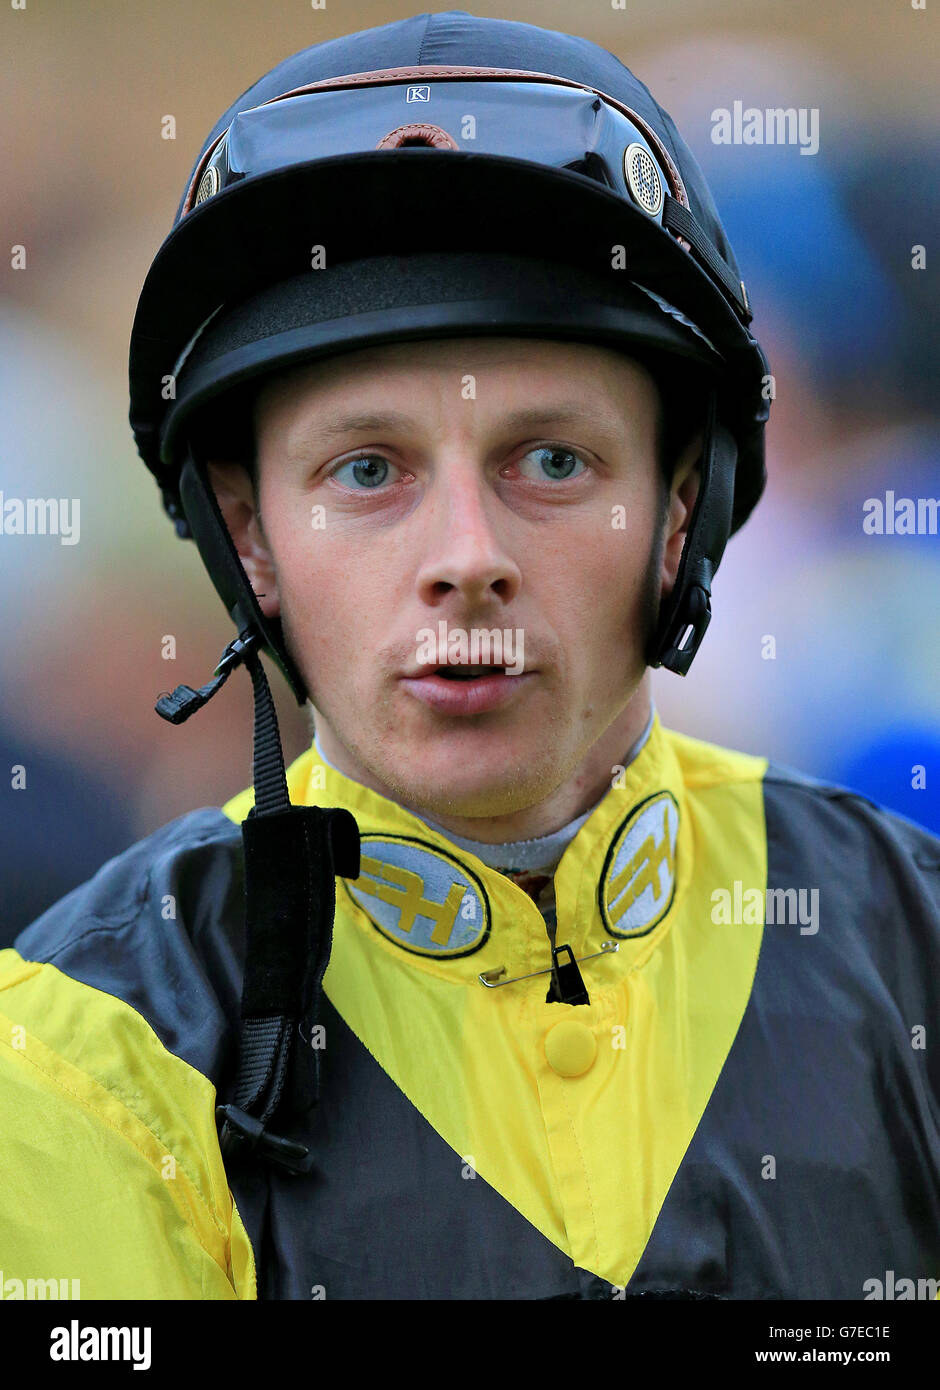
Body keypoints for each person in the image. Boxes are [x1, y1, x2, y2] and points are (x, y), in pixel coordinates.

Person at [2, 10, 938, 1302]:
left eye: (553, 460)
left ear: (680, 507)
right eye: (367, 469)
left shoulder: (915, 940)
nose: (466, 554)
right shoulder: (74, 1045)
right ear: (247, 534)